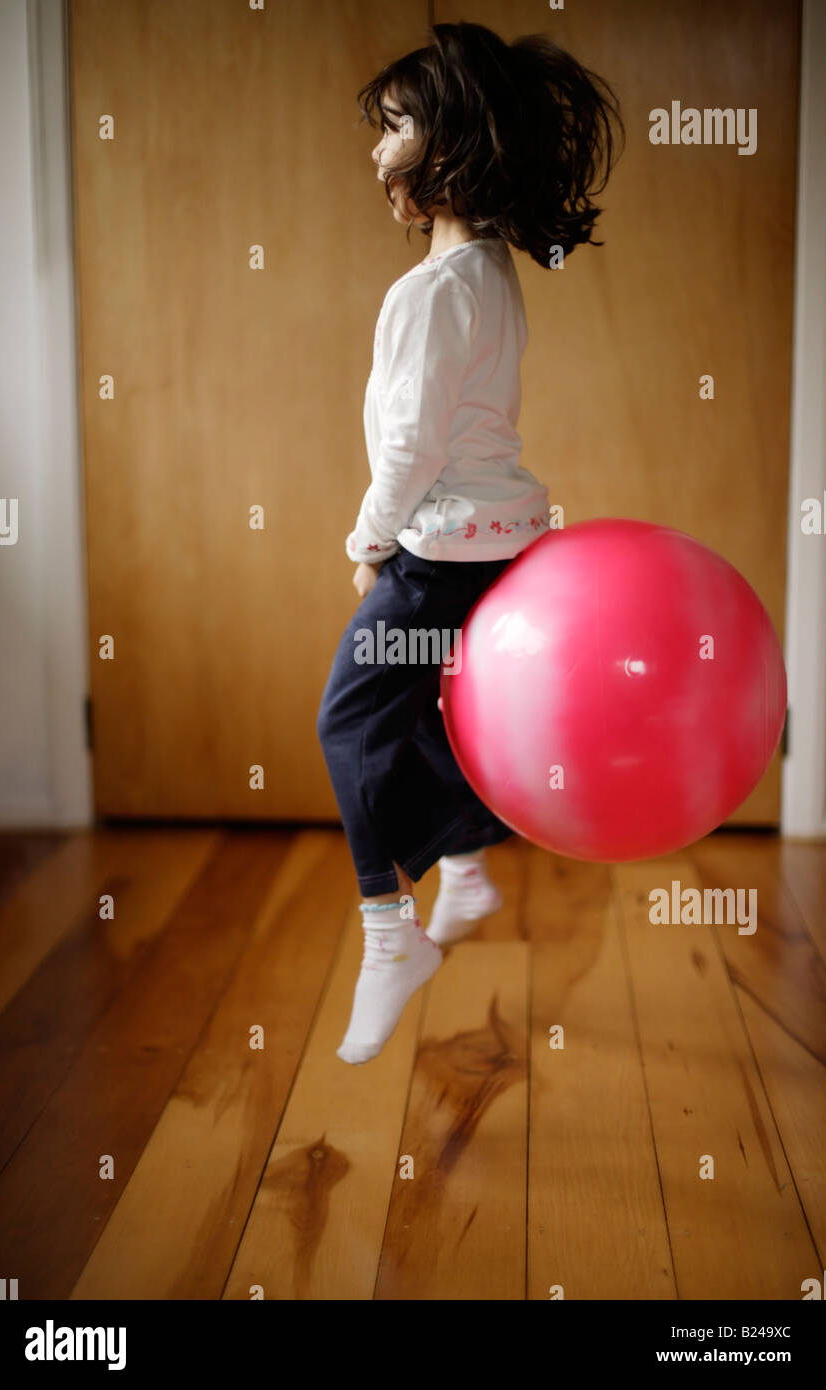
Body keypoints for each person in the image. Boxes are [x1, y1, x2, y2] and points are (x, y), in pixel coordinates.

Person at [316, 21, 624, 1064]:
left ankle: (386, 933)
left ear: (443, 144)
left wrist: (367, 538)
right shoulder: (492, 272)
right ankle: (468, 863)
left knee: (346, 721)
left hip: (435, 548)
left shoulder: (431, 292)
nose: (373, 150)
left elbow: (410, 441)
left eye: (392, 125)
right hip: (497, 545)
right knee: (412, 704)